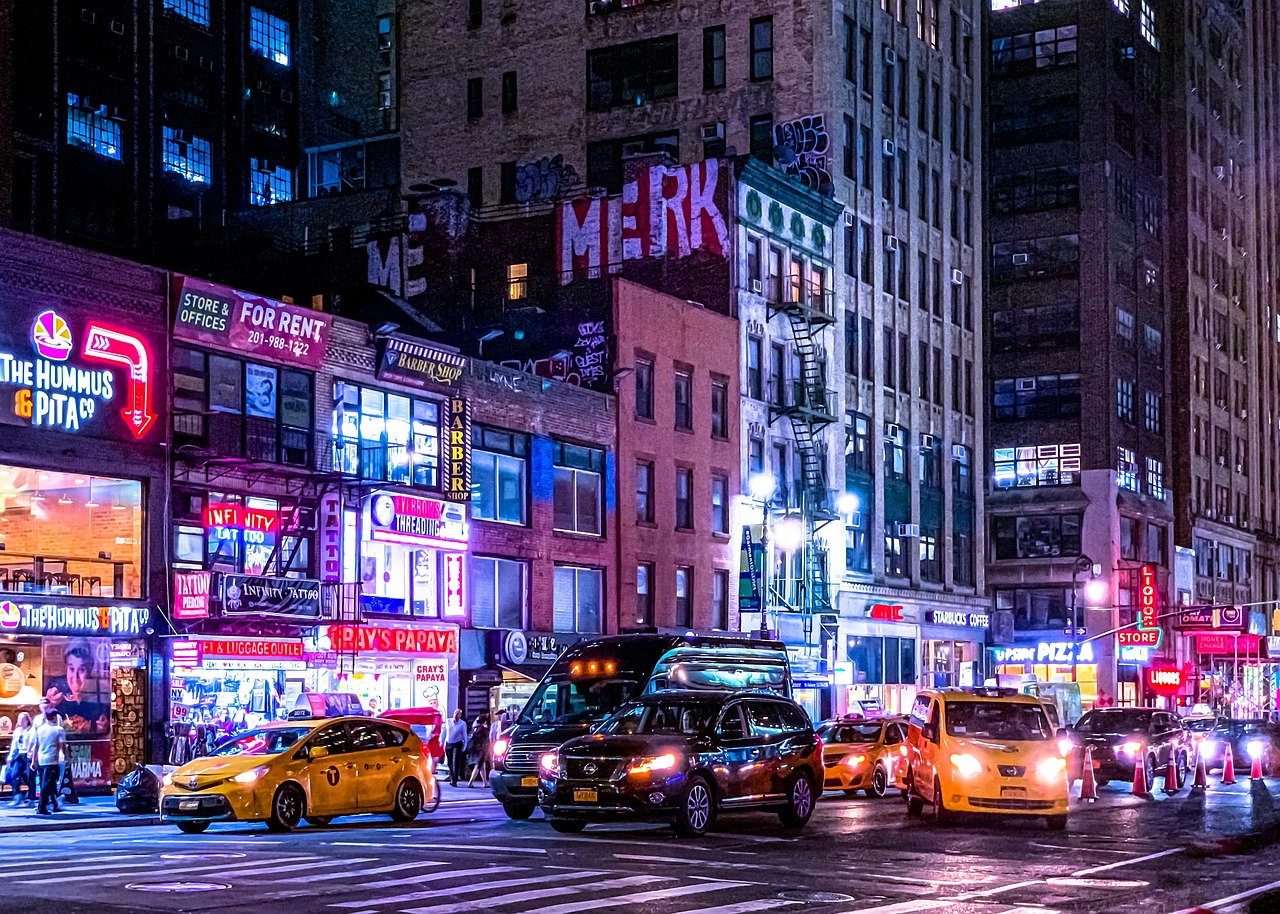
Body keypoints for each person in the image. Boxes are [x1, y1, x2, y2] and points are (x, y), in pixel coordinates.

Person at [31, 710, 67, 816]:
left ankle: (54, 804)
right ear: (55, 717)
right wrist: (66, 758)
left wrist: (34, 760)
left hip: (41, 760)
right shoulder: (58, 730)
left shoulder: (40, 729)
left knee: (47, 783)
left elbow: (36, 746)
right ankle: (42, 807)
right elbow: (62, 746)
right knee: (47, 785)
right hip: (52, 760)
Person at [5, 713, 34, 807]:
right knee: (14, 774)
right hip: (19, 755)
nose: (20, 720)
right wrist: (10, 757)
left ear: (27, 720)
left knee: (30, 776)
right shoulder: (17, 731)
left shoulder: (31, 731)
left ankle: (31, 798)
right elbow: (14, 745)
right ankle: (17, 796)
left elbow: (34, 743)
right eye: (19, 718)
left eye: (23, 718)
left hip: (28, 755)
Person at [443, 709, 468, 787]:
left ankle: (454, 780)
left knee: (455, 762)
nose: (456, 715)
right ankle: (452, 777)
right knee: (449, 762)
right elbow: (444, 732)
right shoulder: (448, 721)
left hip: (457, 743)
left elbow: (464, 735)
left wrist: (465, 745)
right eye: (456, 713)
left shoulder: (462, 724)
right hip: (448, 743)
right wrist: (441, 741)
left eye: (459, 714)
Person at [466, 713, 491, 788]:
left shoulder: (475, 727)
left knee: (481, 765)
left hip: (474, 749)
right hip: (481, 749)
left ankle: (485, 782)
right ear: (485, 721)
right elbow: (486, 740)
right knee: (478, 765)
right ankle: (470, 782)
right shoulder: (483, 729)